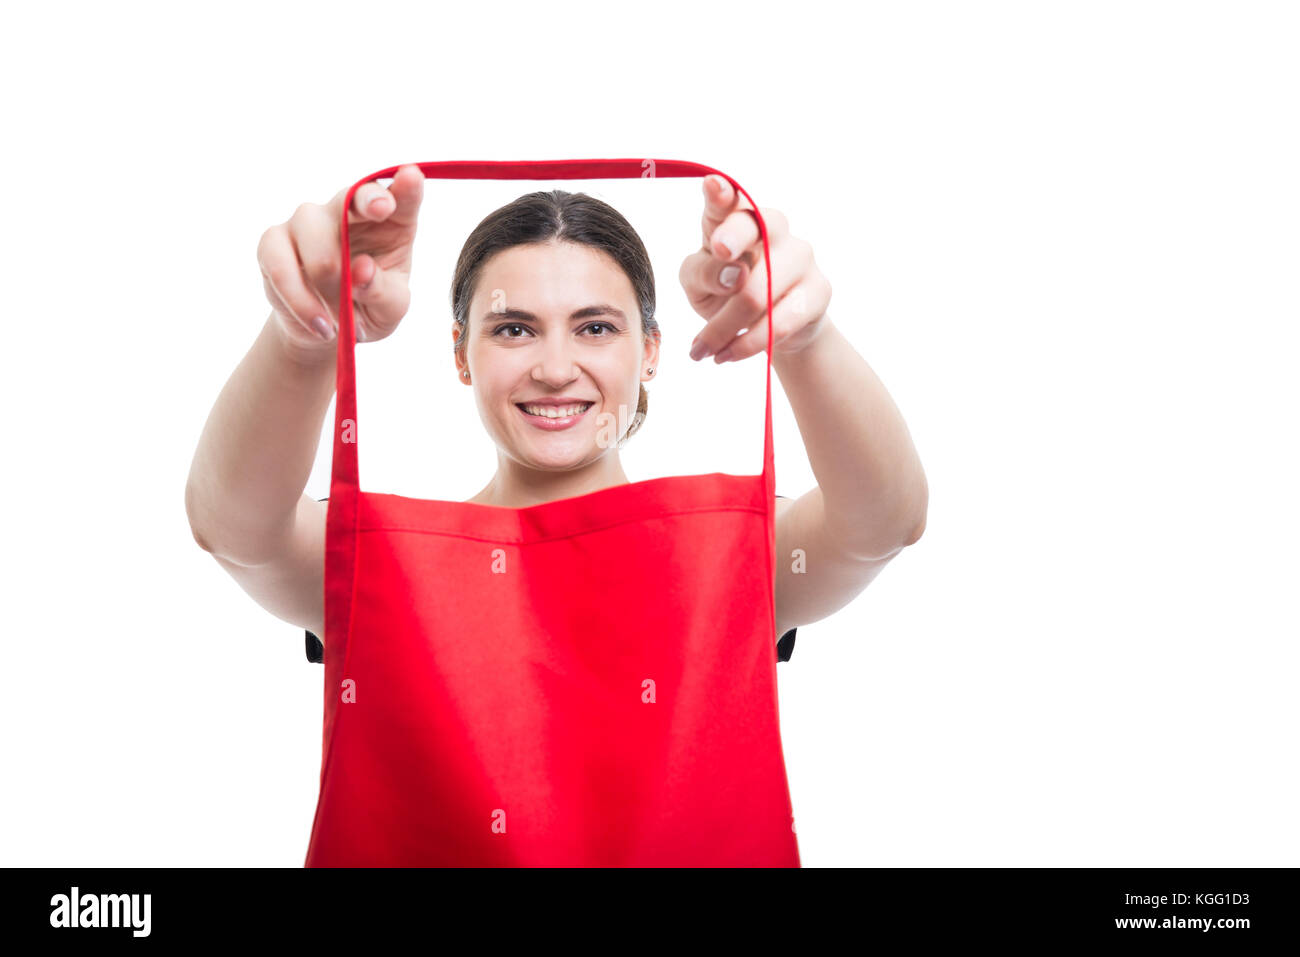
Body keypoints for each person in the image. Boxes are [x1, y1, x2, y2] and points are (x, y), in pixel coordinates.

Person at [184, 164, 927, 668]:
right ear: (461, 354)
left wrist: (804, 338)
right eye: (514, 327)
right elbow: (237, 530)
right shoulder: (384, 572)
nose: (554, 367)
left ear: (650, 352)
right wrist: (302, 335)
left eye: (597, 326)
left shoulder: (734, 556)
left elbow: (882, 522)